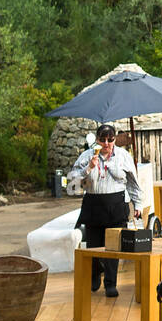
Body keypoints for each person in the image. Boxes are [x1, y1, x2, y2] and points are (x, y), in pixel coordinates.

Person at [68, 123, 145, 297]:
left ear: (115, 139)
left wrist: (138, 204)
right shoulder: (86, 156)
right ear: (97, 140)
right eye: (102, 140)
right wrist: (88, 168)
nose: (106, 144)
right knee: (94, 247)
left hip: (116, 205)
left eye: (110, 140)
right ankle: (95, 276)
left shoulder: (123, 156)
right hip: (93, 204)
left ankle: (111, 283)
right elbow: (72, 186)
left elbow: (133, 183)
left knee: (113, 247)